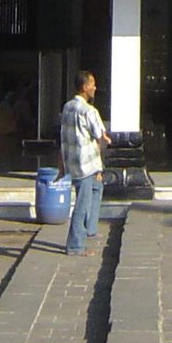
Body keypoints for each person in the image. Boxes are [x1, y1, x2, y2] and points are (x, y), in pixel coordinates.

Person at [60, 70, 111, 255]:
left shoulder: (67, 107)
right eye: (92, 84)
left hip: (73, 163)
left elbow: (63, 138)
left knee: (97, 189)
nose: (95, 88)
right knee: (82, 204)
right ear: (84, 87)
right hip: (87, 164)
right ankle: (75, 245)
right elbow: (100, 138)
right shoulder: (89, 111)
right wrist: (104, 145)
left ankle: (90, 229)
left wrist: (61, 166)